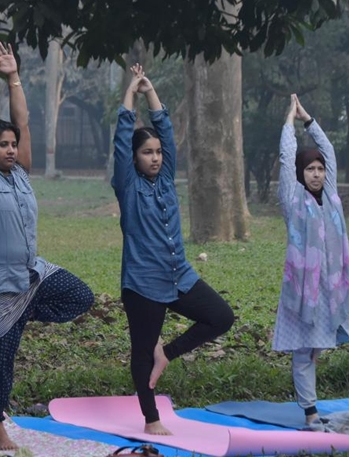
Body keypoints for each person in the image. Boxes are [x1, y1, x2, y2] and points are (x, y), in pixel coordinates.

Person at [0, 40, 95, 450]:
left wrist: (15, 76)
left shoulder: (21, 174)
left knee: (81, 296)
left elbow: (25, 123)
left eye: (13, 145)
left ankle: (25, 313)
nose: (11, 149)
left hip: (31, 276)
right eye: (3, 145)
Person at [112, 64, 235, 436]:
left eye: (158, 152)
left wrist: (151, 92)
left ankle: (167, 353)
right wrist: (130, 97)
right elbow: (121, 140)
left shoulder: (166, 179)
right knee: (140, 352)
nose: (155, 157)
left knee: (221, 317)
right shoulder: (128, 186)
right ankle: (151, 420)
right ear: (135, 159)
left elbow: (165, 129)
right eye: (147, 152)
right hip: (143, 283)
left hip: (179, 274)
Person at [274, 94, 349, 425]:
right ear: (300, 174)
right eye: (310, 169)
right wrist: (288, 123)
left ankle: (325, 338)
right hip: (305, 295)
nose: (317, 174)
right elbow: (285, 158)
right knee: (304, 355)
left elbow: (331, 153)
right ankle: (310, 415)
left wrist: (309, 120)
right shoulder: (291, 199)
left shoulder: (333, 196)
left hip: (340, 291)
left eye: (320, 169)